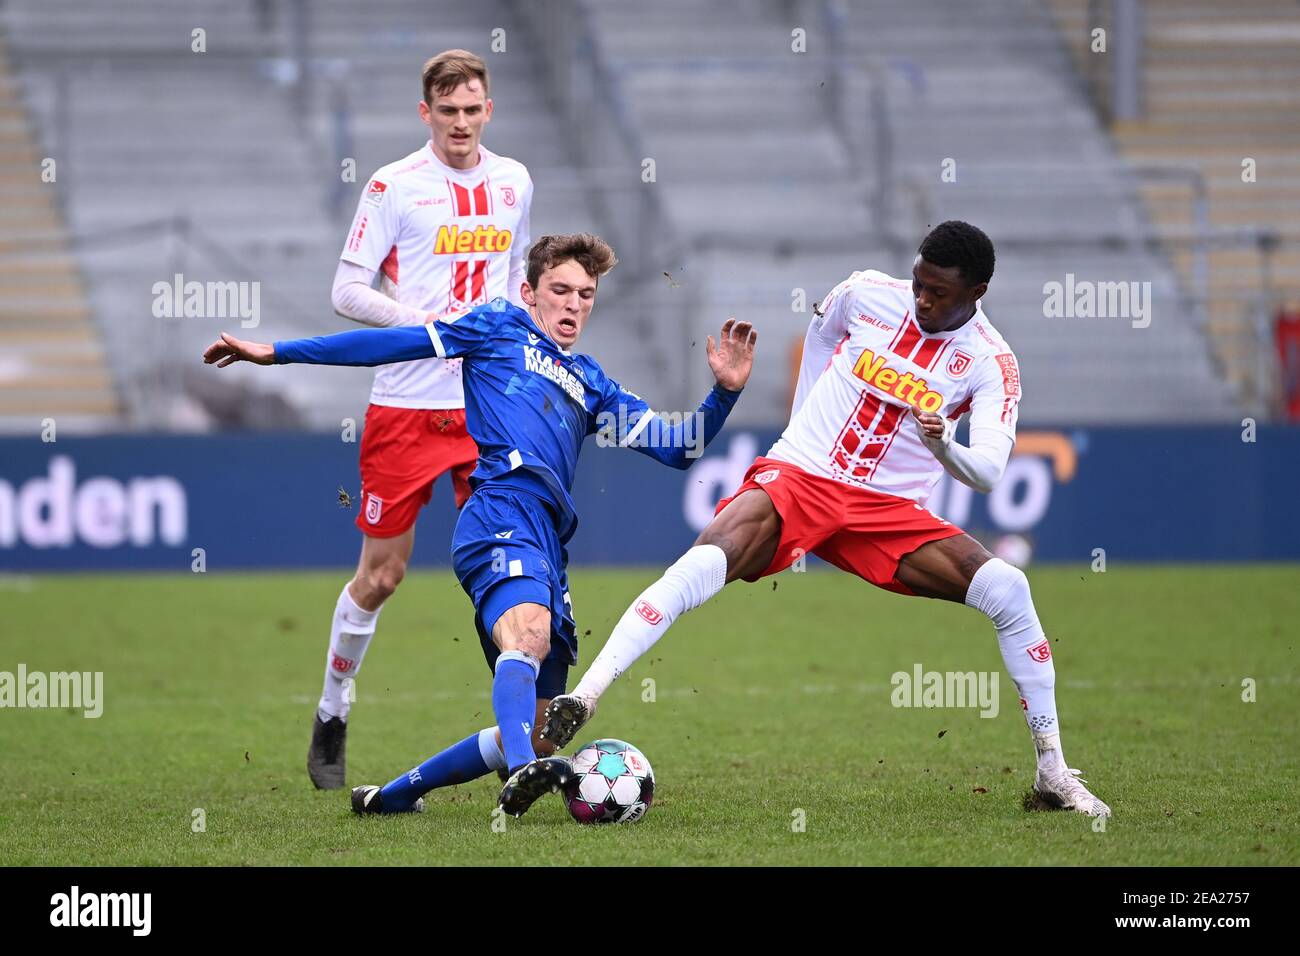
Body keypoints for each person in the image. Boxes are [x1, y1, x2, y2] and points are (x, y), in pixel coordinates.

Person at [541, 221, 1111, 817]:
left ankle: (1052, 772)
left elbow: (989, 471)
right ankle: (587, 695)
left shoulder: (991, 361)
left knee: (1008, 589)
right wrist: (802, 424)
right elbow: (821, 331)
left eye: (938, 293)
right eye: (918, 283)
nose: (921, 299)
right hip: (804, 476)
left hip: (887, 509)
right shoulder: (865, 293)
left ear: (977, 292)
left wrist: (945, 446)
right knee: (706, 557)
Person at [202, 233, 758, 815]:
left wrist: (722, 394)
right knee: (528, 638)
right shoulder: (496, 327)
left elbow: (678, 448)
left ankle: (393, 797)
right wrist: (278, 352)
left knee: (542, 731)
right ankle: (520, 771)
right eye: (560, 290)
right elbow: (391, 344)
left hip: (547, 539)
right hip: (498, 511)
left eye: (586, 294)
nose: (573, 304)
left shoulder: (593, 382)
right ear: (529, 292)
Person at [308, 49, 532, 790]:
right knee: (383, 575)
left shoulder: (514, 181)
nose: (461, 123)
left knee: (504, 565)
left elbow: (515, 276)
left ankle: (522, 732)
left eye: (472, 110)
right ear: (426, 112)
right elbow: (347, 290)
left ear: (488, 110)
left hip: (486, 405)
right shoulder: (393, 185)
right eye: (448, 111)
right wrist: (431, 327)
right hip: (406, 405)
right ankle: (334, 708)